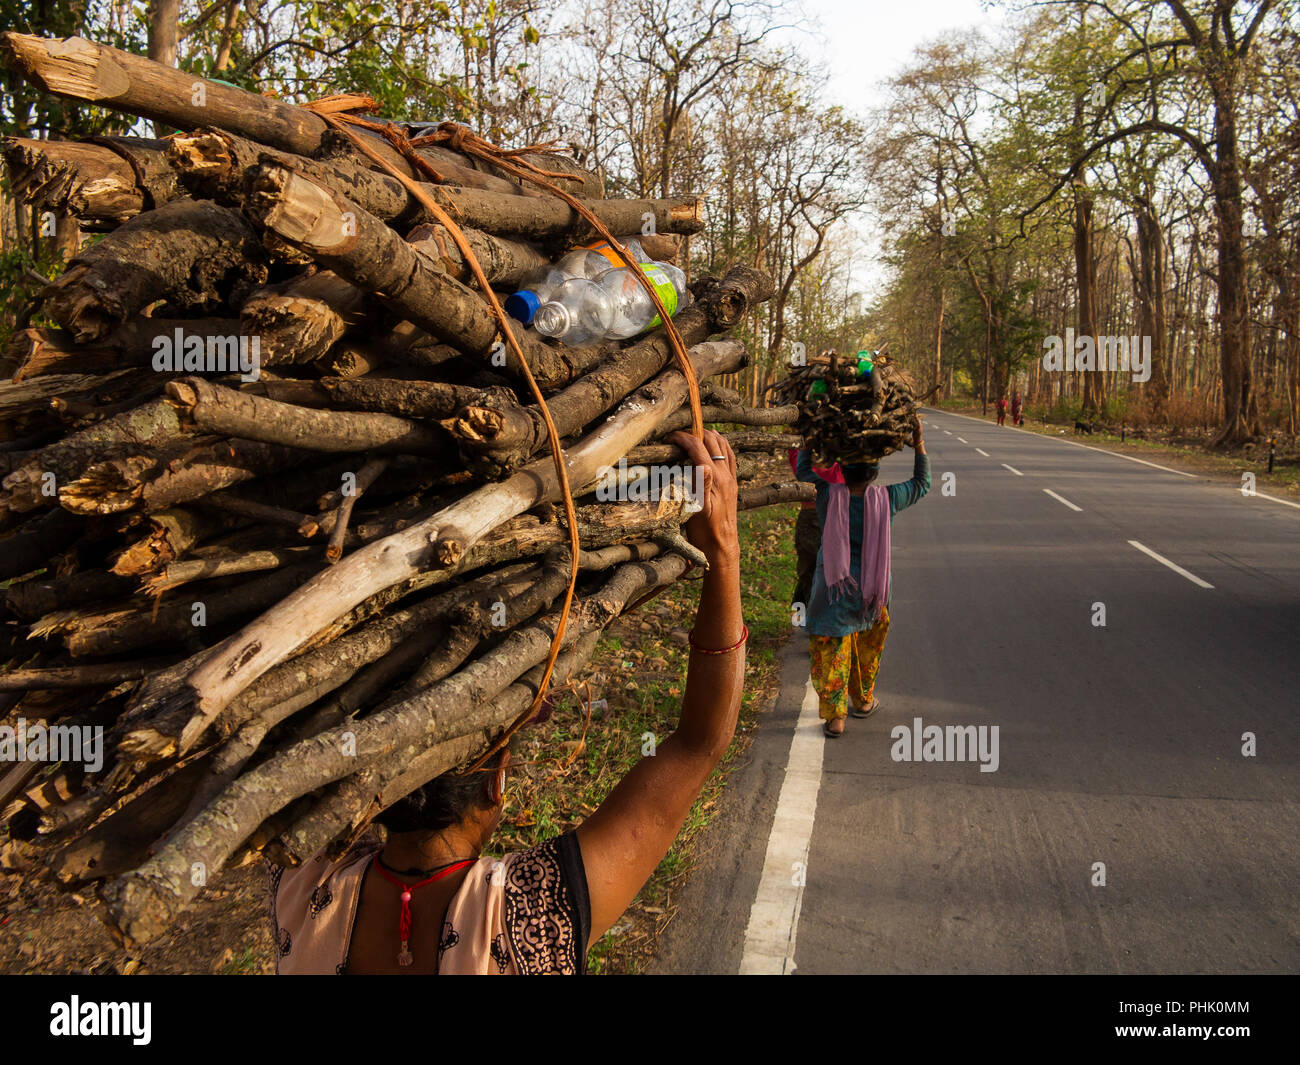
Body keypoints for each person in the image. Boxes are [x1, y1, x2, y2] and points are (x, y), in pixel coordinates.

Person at [269, 429, 744, 974]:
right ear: (494, 784)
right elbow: (700, 744)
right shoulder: (527, 914)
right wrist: (723, 553)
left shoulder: (300, 889)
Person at [795, 419, 929, 737]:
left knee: (832, 649)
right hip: (872, 596)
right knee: (868, 647)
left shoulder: (828, 494)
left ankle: (835, 717)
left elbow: (802, 471)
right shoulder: (888, 499)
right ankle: (864, 700)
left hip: (832, 593)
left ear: (841, 468)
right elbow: (922, 484)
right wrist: (919, 442)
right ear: (874, 473)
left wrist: (809, 435)